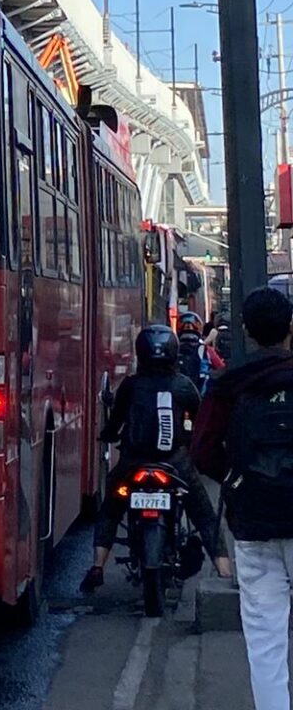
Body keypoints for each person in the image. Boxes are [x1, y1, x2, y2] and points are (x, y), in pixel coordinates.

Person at [192, 287, 293, 710]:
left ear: (247, 332)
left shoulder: (229, 386)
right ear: (291, 328)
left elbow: (201, 452)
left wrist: (235, 480)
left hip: (253, 525)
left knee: (266, 641)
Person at [81, 323, 228, 593]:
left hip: (132, 463)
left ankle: (98, 566)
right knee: (204, 514)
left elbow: (115, 423)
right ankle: (224, 571)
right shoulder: (184, 385)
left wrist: (108, 435)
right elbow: (202, 422)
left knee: (111, 509)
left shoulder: (130, 385)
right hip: (176, 464)